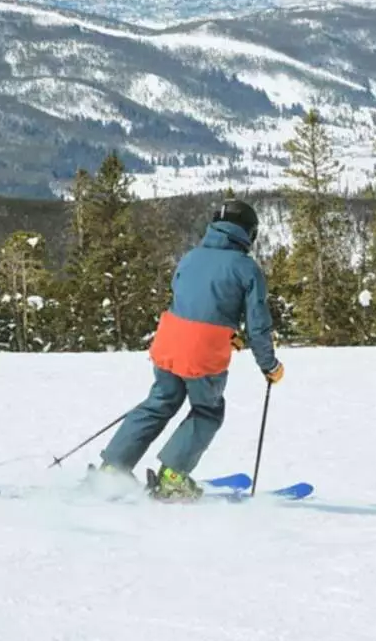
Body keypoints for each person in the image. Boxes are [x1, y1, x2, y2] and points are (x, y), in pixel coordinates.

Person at [96, 198, 284, 500]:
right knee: (207, 410)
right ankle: (173, 476)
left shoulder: (191, 257)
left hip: (169, 341)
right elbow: (258, 324)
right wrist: (269, 365)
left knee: (159, 402)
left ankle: (112, 469)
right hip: (203, 353)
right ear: (249, 233)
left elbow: (192, 301)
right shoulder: (247, 268)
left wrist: (227, 334)